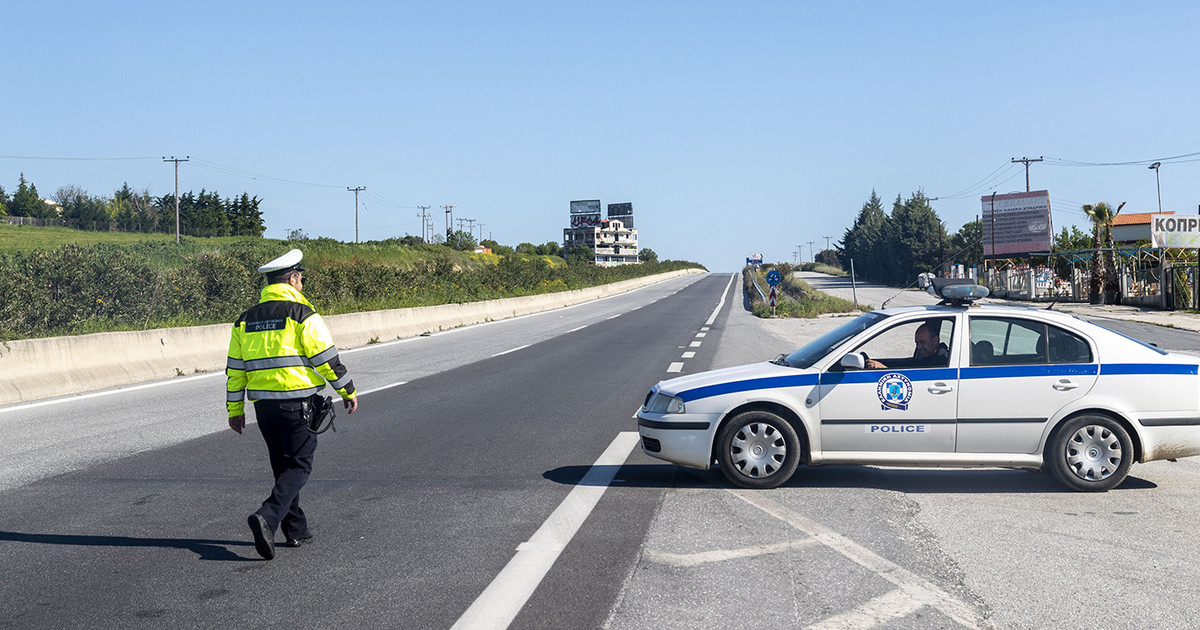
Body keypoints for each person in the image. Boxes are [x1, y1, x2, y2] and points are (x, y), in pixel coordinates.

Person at [226, 248, 359, 560]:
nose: (302, 285)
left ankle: (296, 529)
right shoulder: (302, 315)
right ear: (293, 278)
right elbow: (325, 358)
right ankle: (267, 517)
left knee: (283, 466)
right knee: (299, 466)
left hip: (264, 407)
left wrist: (234, 411)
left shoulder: (244, 321)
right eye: (301, 279)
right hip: (298, 402)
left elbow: (235, 370)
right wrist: (347, 390)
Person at [864, 321, 949, 369]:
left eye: (922, 343)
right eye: (917, 343)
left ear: (935, 340)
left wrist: (884, 369)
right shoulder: (926, 358)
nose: (918, 347)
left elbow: (917, 378)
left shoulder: (942, 360)